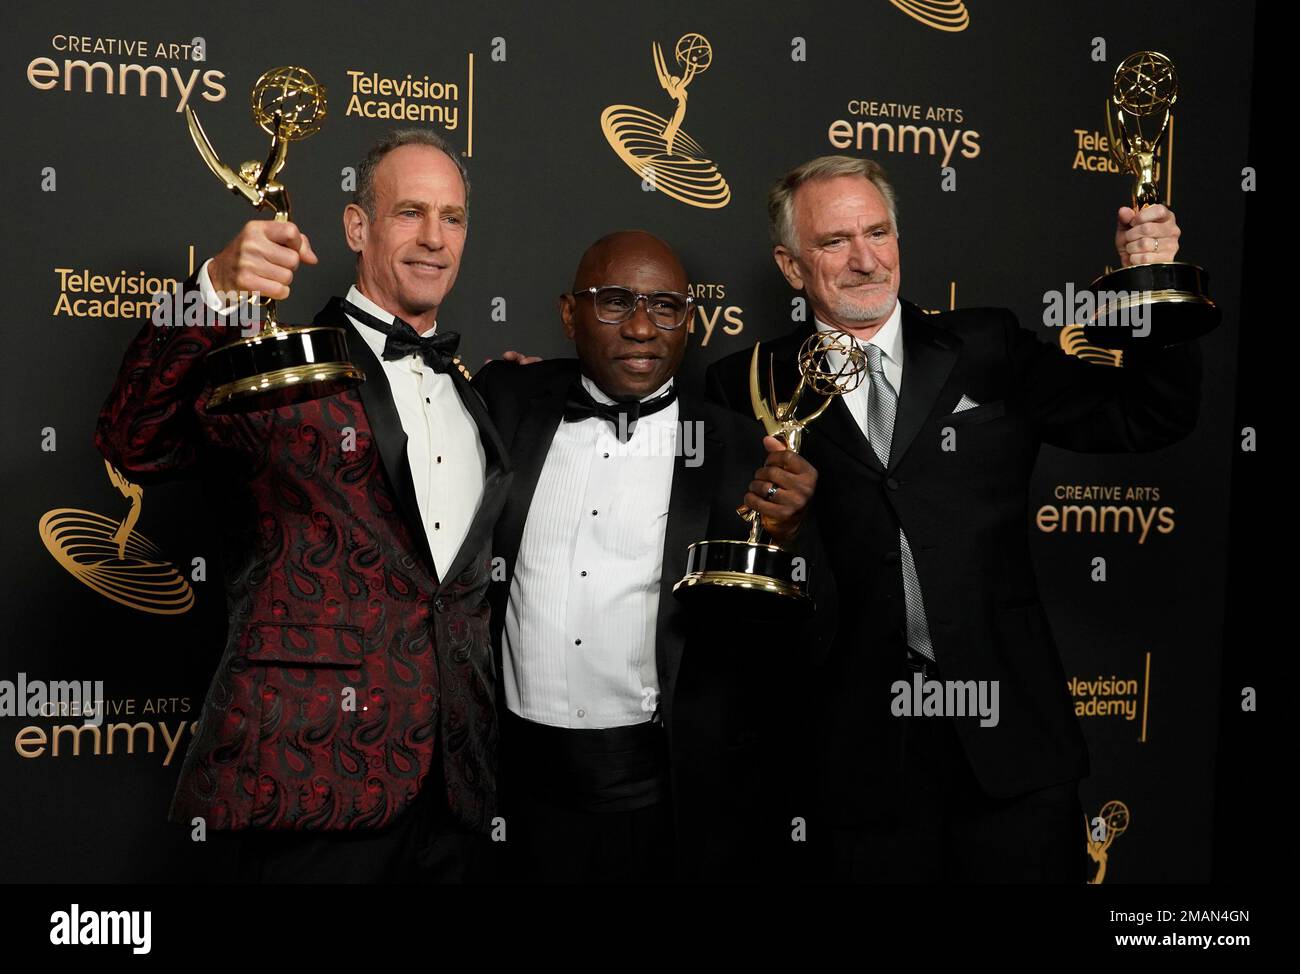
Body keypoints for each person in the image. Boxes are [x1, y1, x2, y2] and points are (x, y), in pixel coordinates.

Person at [705, 155, 1201, 882]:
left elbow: (1146, 416)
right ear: (789, 264)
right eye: (833, 242)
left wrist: (1155, 285)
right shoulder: (746, 382)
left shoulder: (985, 346)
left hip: (1013, 748)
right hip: (851, 760)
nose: (865, 259)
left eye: (878, 232)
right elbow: (741, 589)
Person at [95, 128, 513, 882]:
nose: (433, 238)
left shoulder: (469, 389)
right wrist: (215, 288)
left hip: (458, 789)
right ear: (357, 227)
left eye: (451, 217)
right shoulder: (283, 365)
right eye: (409, 212)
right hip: (310, 779)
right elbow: (134, 441)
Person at [472, 230, 824, 882]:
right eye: (614, 303)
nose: (641, 327)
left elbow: (778, 645)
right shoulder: (509, 401)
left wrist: (788, 541)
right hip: (514, 786)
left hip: (659, 795)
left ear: (688, 322)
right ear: (569, 313)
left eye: (665, 307)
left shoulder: (741, 448)